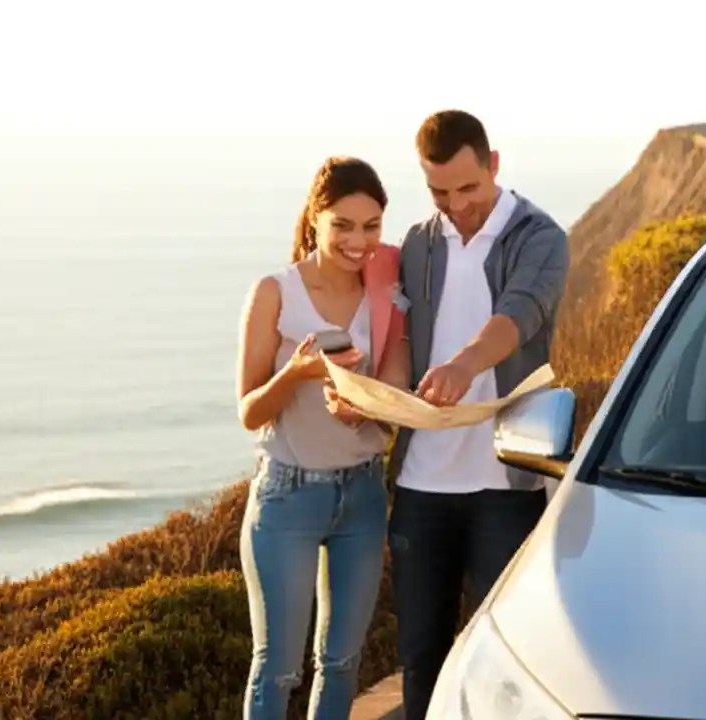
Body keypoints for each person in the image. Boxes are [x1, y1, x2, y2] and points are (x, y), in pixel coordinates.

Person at [385, 109, 570, 720]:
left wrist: (464, 366)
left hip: (505, 483)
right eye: (439, 191)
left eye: (468, 188)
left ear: (493, 165)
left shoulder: (541, 237)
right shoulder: (418, 241)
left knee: (505, 658)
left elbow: (519, 317)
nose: (456, 204)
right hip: (421, 485)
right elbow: (399, 341)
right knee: (422, 657)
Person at [235, 156, 409, 719]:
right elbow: (249, 410)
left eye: (372, 226)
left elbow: (393, 395)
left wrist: (365, 411)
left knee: (341, 664)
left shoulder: (387, 289)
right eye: (344, 226)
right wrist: (298, 373)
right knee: (278, 669)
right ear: (315, 219)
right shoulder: (275, 293)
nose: (359, 241)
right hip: (288, 497)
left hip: (362, 496)